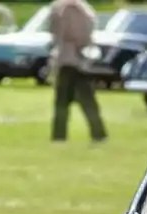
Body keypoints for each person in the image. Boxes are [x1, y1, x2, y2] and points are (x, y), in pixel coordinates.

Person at [49, 0, 107, 143]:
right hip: (82, 62)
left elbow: (60, 33)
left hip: (68, 60)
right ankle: (98, 133)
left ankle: (59, 135)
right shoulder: (85, 10)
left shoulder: (65, 9)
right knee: (88, 102)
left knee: (62, 102)